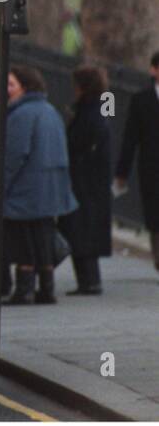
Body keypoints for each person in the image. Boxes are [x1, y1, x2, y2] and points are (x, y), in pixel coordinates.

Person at [4, 65, 76, 305]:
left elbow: (14, 155)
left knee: (23, 239)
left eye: (11, 84)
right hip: (49, 188)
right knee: (43, 237)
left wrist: (2, 186)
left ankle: (23, 289)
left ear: (24, 86)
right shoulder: (49, 111)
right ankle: (47, 287)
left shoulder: (21, 114)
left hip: (25, 189)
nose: (7, 90)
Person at [59, 66, 112, 295]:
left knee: (80, 228)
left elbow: (78, 142)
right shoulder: (100, 108)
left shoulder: (89, 112)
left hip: (84, 180)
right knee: (83, 229)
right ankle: (89, 279)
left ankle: (88, 280)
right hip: (92, 181)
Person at [114, 49, 159, 273]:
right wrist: (122, 172)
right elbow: (130, 138)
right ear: (154, 70)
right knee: (154, 216)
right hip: (151, 167)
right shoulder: (142, 99)